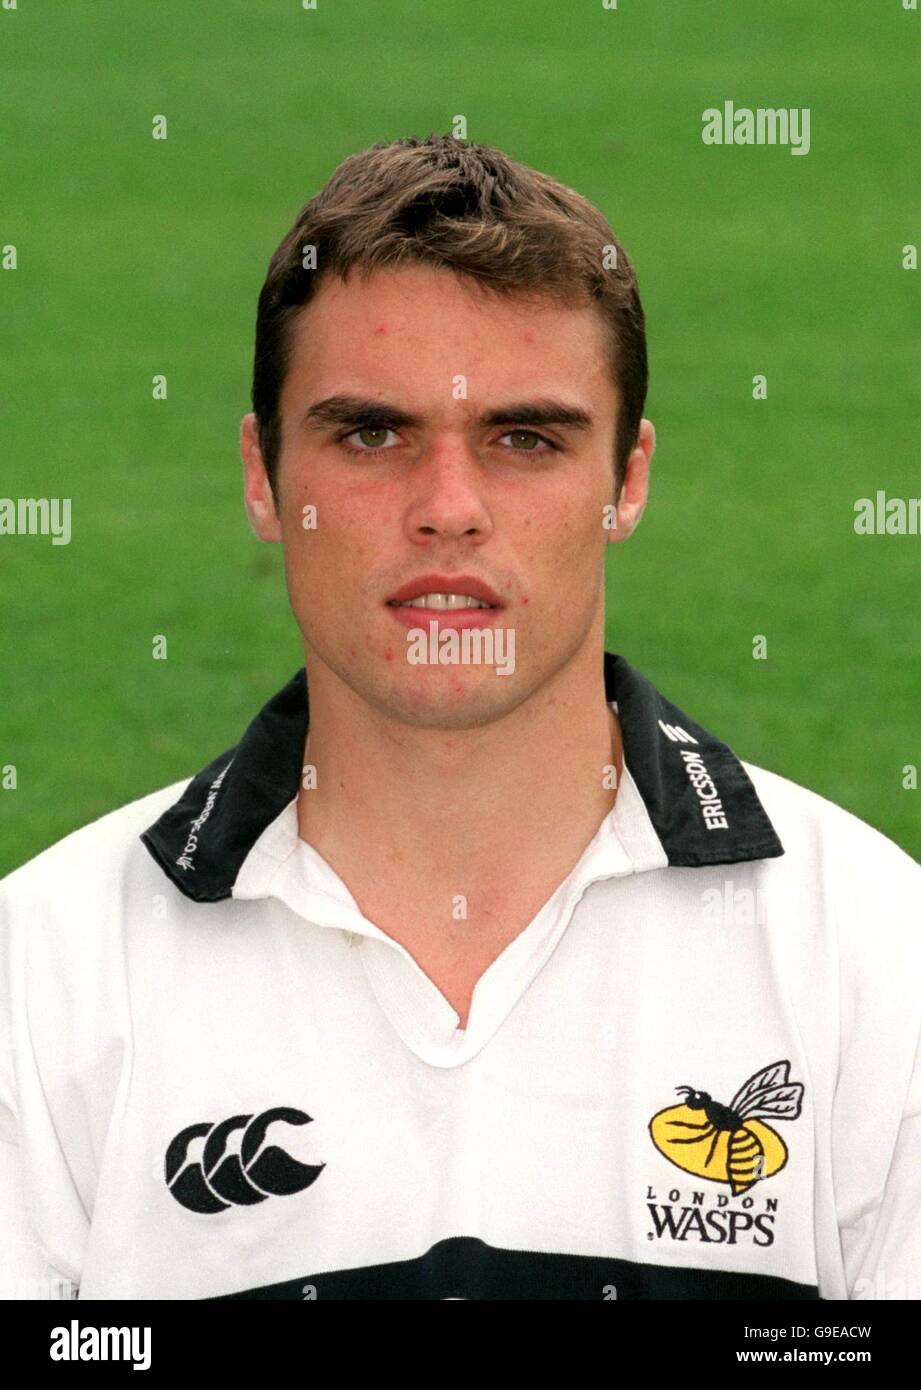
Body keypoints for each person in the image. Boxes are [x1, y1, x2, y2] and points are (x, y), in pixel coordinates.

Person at [1, 135, 918, 1302]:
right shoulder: (42, 974)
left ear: (627, 482)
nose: (449, 510)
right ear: (262, 476)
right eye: (372, 434)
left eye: (525, 438)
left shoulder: (876, 958)